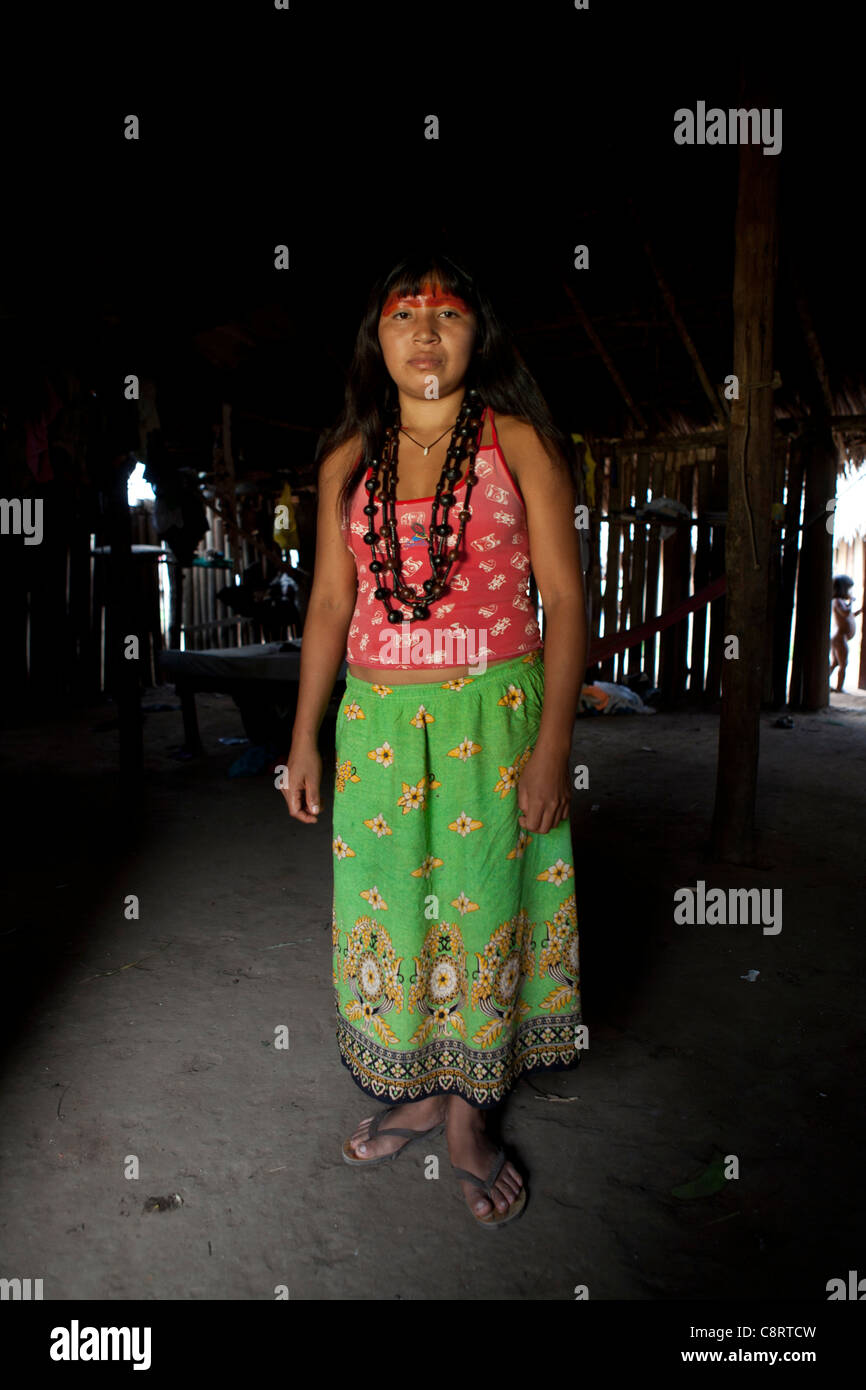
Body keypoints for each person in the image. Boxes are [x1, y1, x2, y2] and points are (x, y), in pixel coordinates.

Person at [282, 251, 587, 1227]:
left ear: (477, 337)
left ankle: (468, 1114)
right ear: (374, 340)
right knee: (399, 916)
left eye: (447, 314)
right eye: (402, 313)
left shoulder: (516, 441)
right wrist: (303, 739)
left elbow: (567, 599)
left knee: (481, 904)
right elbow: (332, 601)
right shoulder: (345, 460)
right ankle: (417, 1088)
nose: (424, 328)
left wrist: (548, 749)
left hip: (488, 721)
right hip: (376, 724)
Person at [829, 575, 862, 693]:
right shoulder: (837, 601)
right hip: (839, 636)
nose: (850, 592)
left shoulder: (841, 601)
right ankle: (839, 688)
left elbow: (850, 615)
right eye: (849, 589)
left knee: (835, 663)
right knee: (843, 664)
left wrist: (859, 611)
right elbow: (846, 612)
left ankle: (826, 684)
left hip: (841, 636)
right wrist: (851, 602)